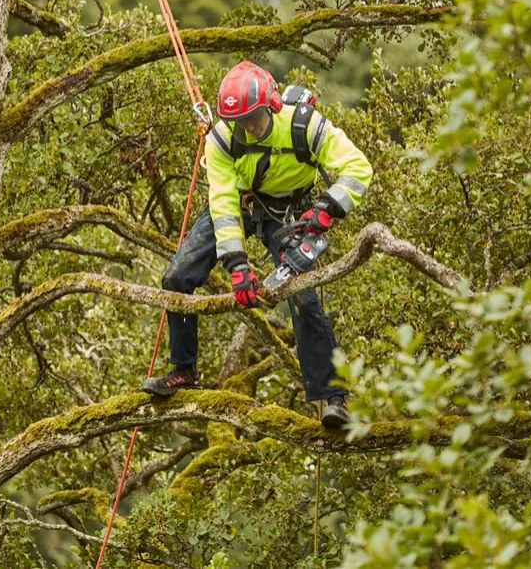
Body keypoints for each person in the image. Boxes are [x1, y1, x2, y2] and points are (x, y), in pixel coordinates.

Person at [142, 61, 373, 428]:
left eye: (254, 118)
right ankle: (183, 370)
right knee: (177, 277)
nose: (248, 127)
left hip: (287, 212)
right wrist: (237, 266)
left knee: (304, 297)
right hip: (243, 202)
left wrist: (328, 208)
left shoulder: (304, 125)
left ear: (272, 106)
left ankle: (335, 398)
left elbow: (358, 168)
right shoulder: (222, 138)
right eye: (241, 121)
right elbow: (222, 203)